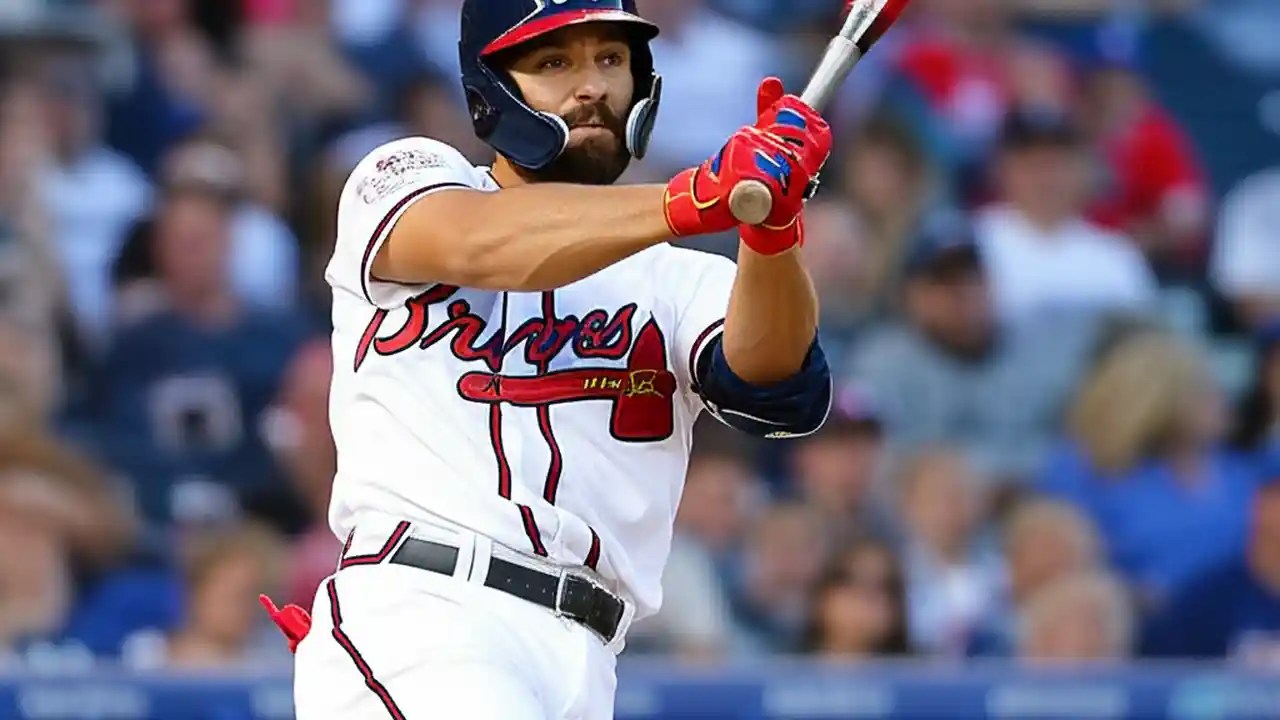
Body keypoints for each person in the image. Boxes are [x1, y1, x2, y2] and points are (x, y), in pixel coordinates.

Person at [269, 2, 835, 719]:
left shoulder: (679, 277)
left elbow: (775, 380)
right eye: (554, 62)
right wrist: (691, 198)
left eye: (610, 59)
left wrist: (772, 232)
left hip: (590, 652)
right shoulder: (406, 176)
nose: (591, 85)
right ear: (490, 90)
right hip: (428, 609)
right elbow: (480, 243)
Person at [847, 218, 1096, 484]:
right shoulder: (881, 364)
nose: (963, 293)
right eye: (944, 281)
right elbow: (872, 460)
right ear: (911, 296)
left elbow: (1069, 447)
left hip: (1028, 496)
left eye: (972, 278)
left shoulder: (1036, 350)